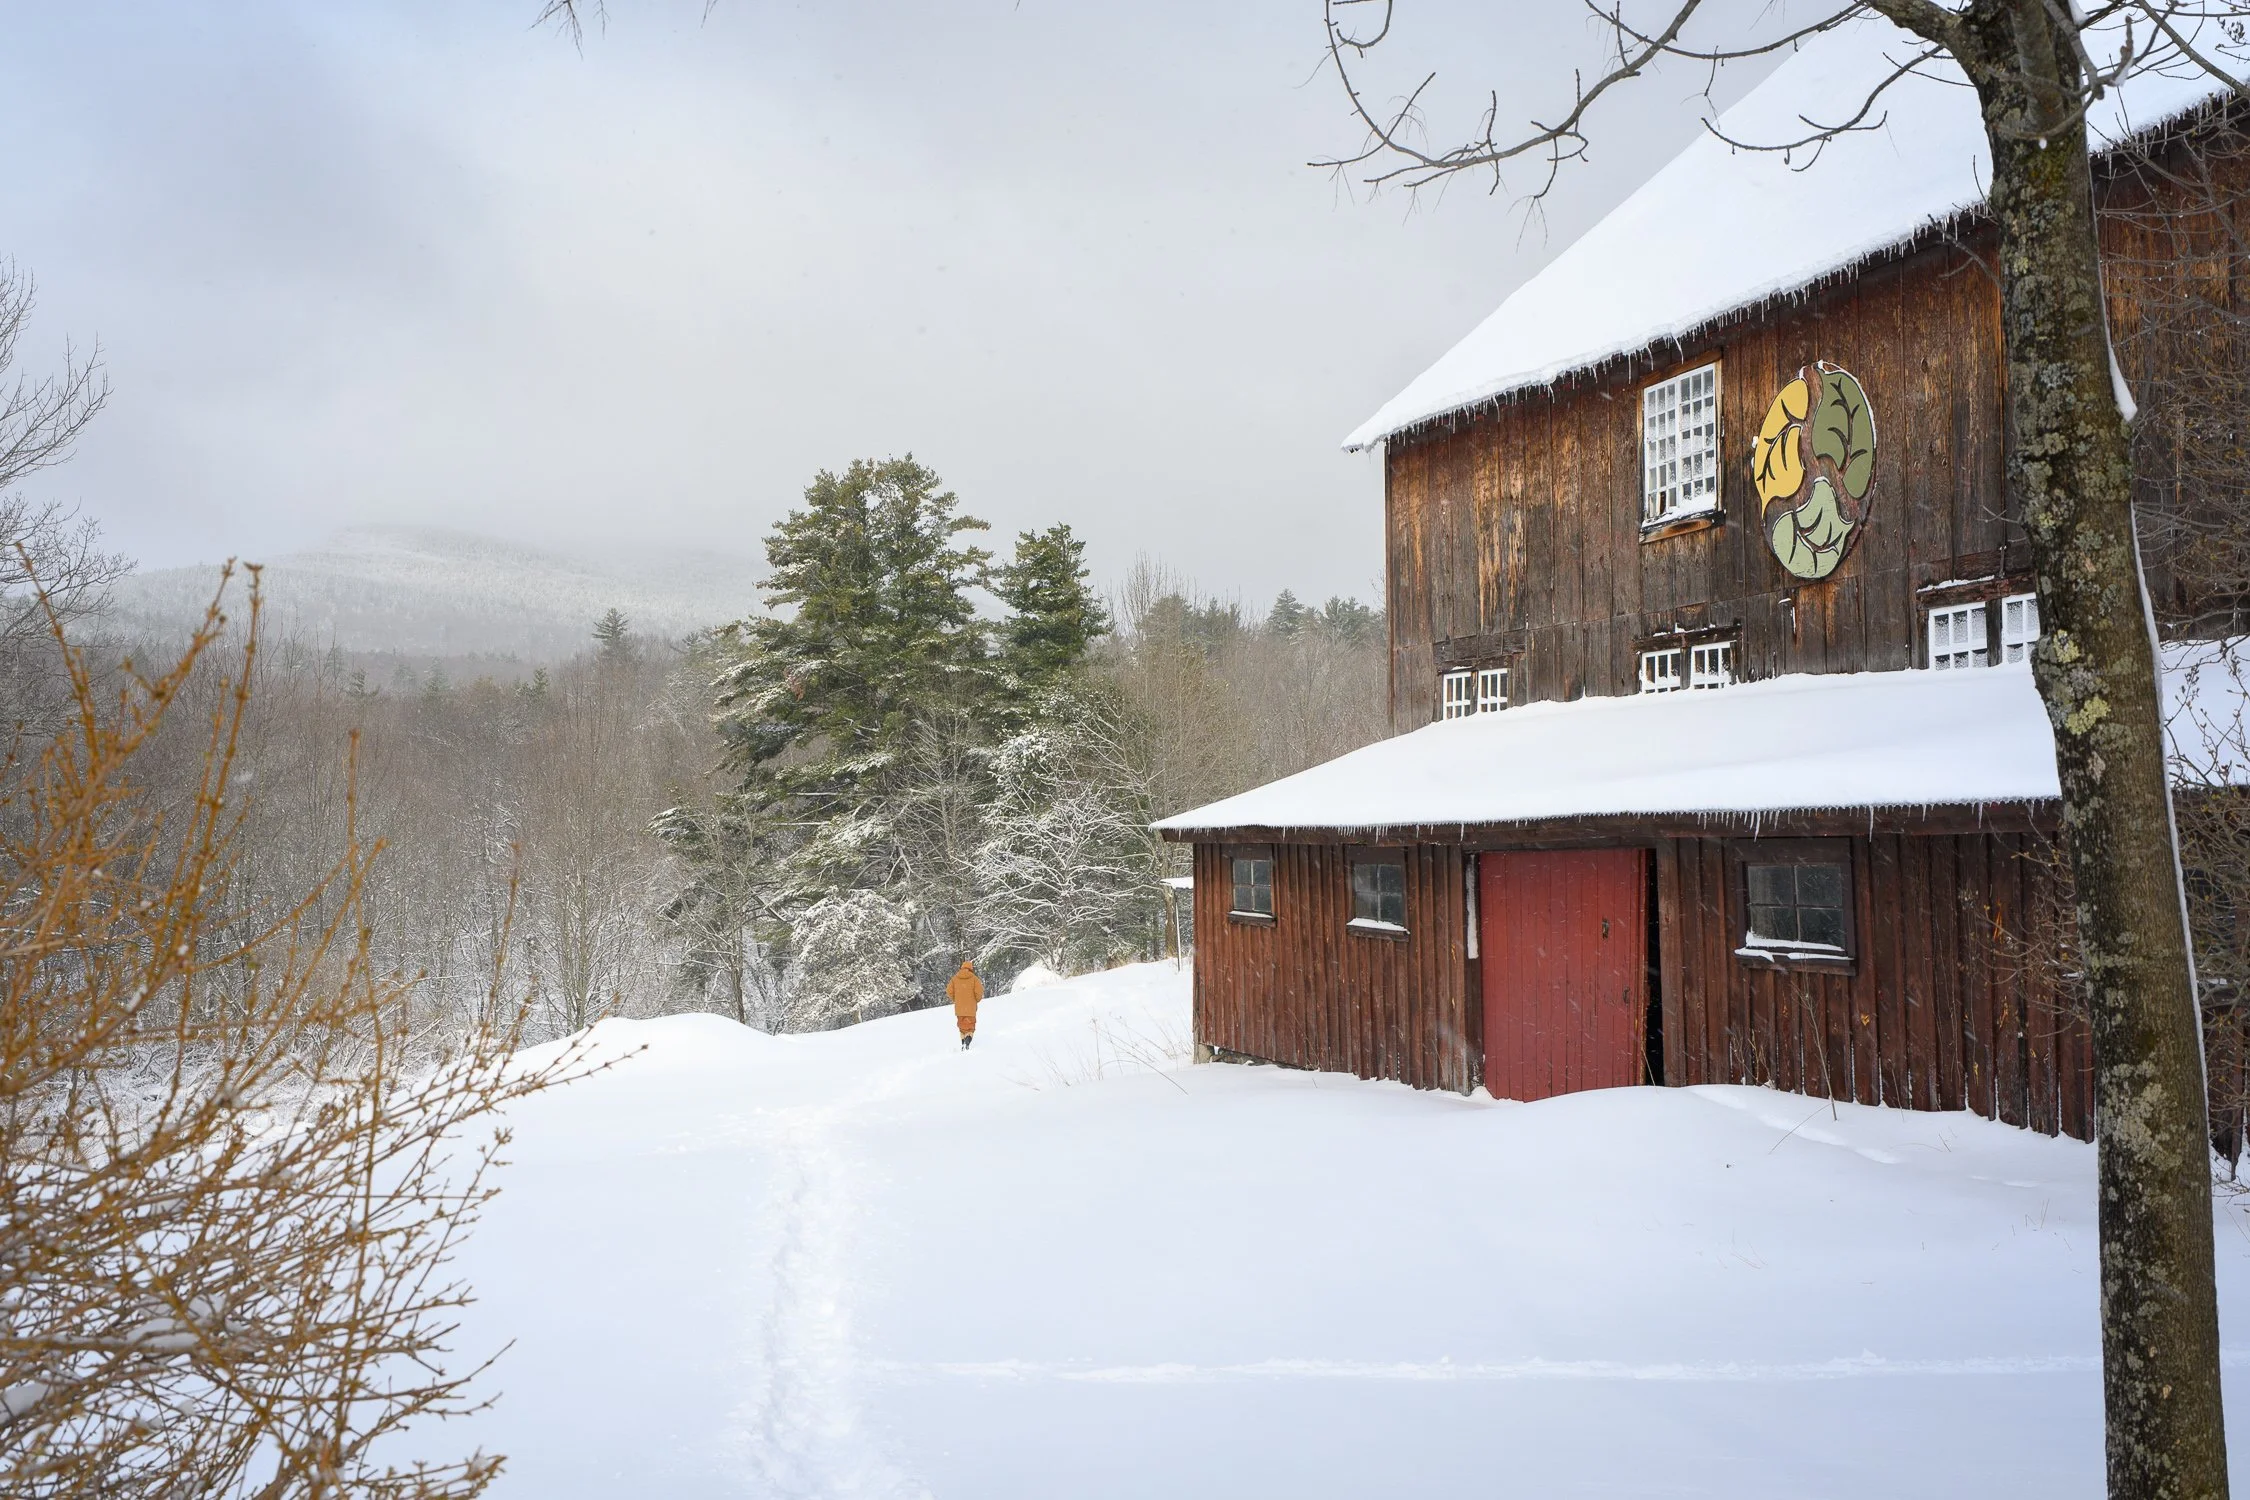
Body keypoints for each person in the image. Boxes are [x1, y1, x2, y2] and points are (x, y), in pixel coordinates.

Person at [946, 959, 983, 1050]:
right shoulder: (974, 979)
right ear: (971, 969)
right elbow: (979, 992)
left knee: (962, 1026)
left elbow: (949, 991)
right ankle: (968, 1040)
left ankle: (963, 1041)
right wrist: (976, 1000)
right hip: (970, 1008)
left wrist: (956, 999)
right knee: (970, 1026)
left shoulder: (955, 978)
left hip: (959, 1008)